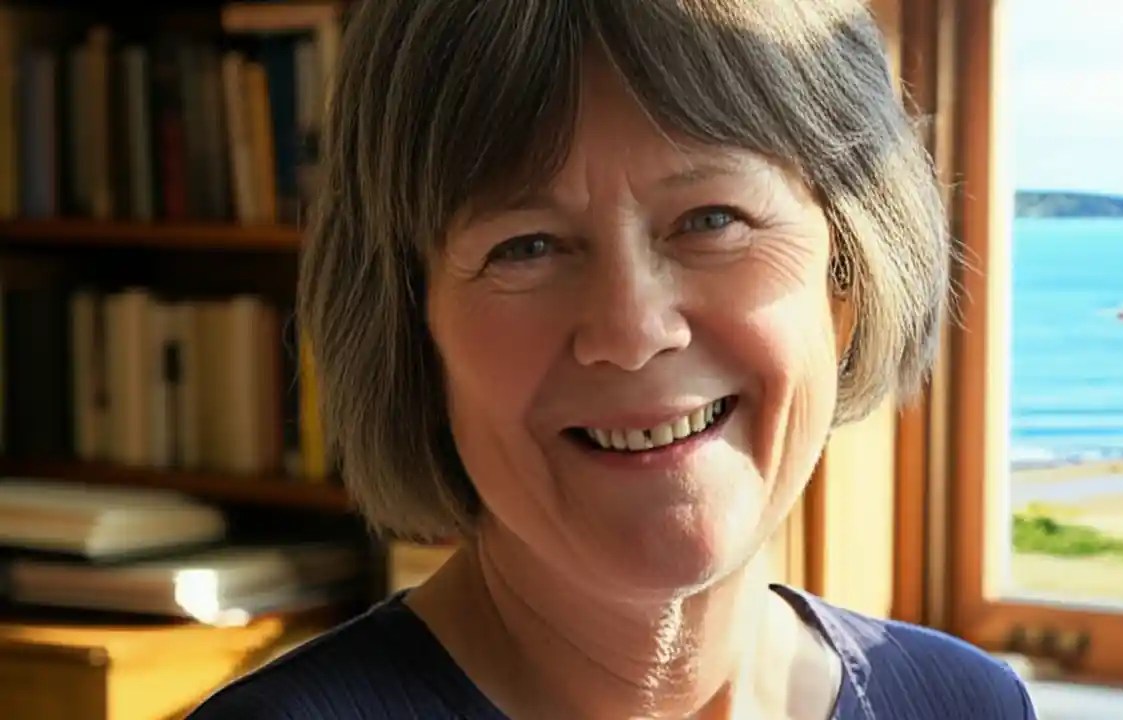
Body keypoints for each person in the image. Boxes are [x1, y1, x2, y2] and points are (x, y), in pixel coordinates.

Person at [190, 0, 1037, 718]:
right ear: (414, 332)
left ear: (845, 275)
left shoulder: (966, 704)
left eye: (711, 219)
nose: (632, 330)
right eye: (525, 246)